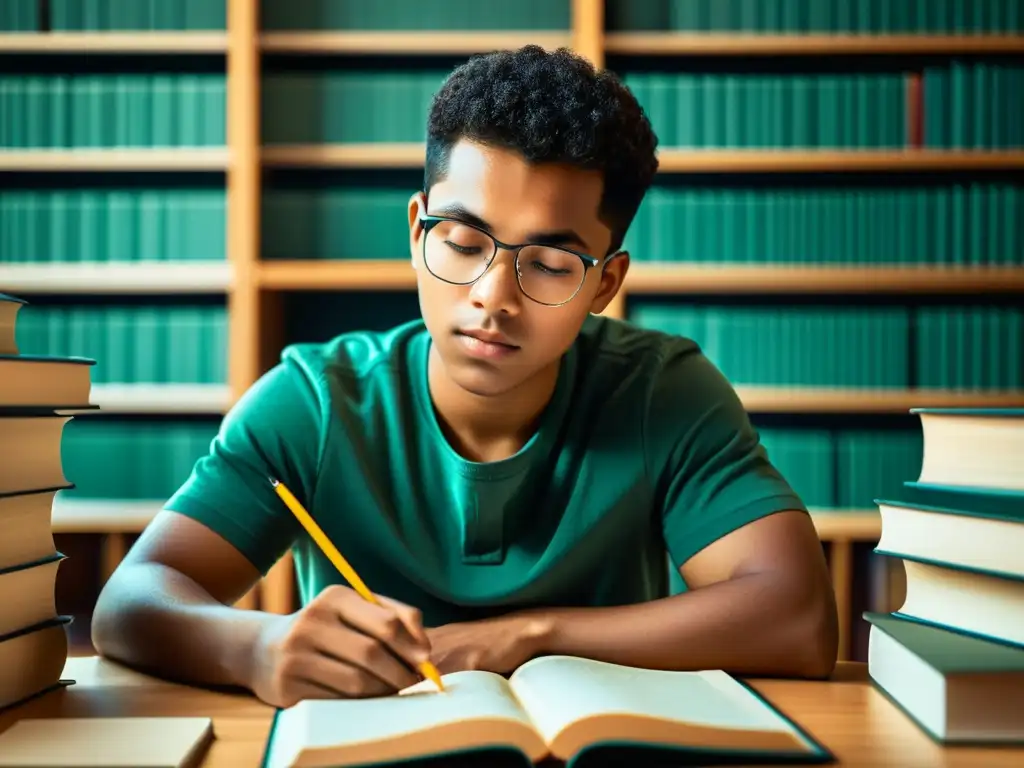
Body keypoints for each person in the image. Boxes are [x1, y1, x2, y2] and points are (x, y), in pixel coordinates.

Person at [92, 45, 838, 709]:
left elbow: (797, 618)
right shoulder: (317, 402)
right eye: (461, 242)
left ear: (605, 285)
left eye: (548, 265)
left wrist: (520, 638)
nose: (492, 296)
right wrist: (254, 647)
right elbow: (128, 603)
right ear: (417, 232)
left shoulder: (663, 392)